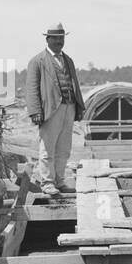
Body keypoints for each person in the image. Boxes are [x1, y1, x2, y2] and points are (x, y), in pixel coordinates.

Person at [24, 22, 86, 196]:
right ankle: (47, 182)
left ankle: (59, 181)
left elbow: (74, 85)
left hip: (69, 107)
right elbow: (32, 88)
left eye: (62, 37)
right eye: (56, 38)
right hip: (50, 109)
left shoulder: (68, 60)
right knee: (47, 149)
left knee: (64, 149)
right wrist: (35, 111)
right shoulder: (37, 61)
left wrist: (79, 106)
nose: (59, 41)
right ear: (48, 39)